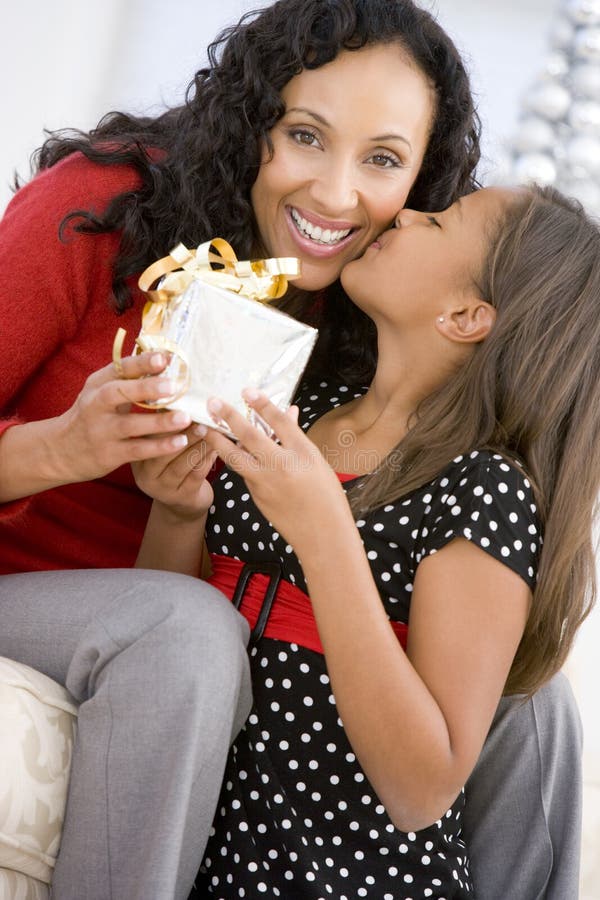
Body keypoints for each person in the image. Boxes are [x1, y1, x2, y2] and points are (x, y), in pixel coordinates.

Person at [0, 0, 581, 897]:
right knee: (187, 632)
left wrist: (181, 505)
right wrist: (60, 449)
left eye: (384, 161)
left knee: (532, 701)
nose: (338, 196)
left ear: (421, 181)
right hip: (59, 598)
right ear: (250, 123)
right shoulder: (104, 207)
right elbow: (191, 600)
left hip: (186, 616)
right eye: (306, 136)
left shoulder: (359, 308)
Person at [135, 182, 599, 898]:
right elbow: (167, 636)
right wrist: (178, 511)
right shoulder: (301, 403)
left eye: (439, 222)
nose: (407, 211)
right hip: (204, 863)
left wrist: (325, 531)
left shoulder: (484, 490)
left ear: (466, 315)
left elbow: (421, 788)